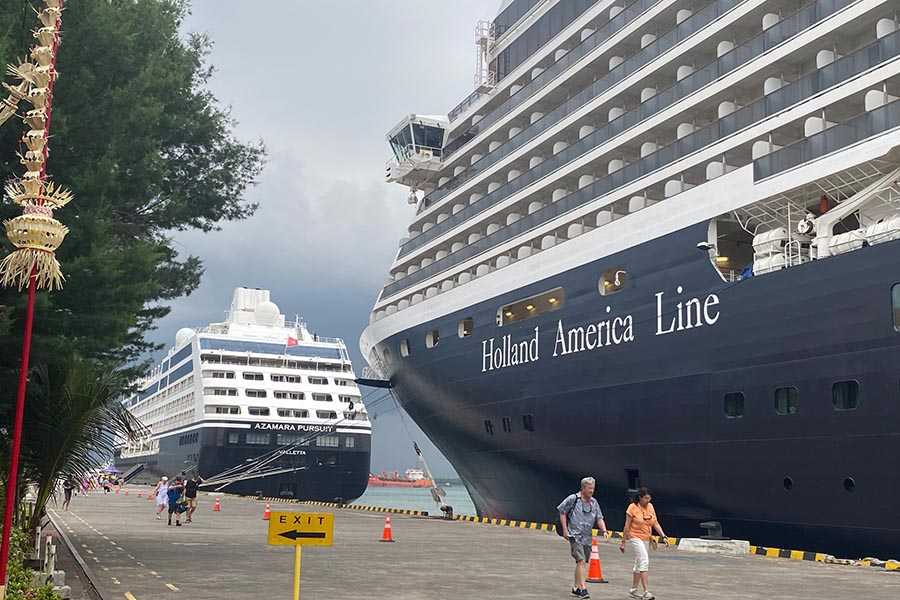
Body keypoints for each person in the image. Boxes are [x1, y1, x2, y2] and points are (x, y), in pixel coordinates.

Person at [558, 477, 608, 599]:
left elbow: (599, 518)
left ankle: (575, 588)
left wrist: (604, 530)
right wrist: (565, 530)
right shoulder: (573, 499)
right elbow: (562, 511)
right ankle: (583, 588)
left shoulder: (594, 502)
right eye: (589, 488)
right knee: (581, 560)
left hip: (587, 537)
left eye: (593, 488)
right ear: (583, 488)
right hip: (575, 535)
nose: (592, 491)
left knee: (581, 562)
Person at [619, 487, 668, 600]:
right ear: (640, 497)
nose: (648, 501)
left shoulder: (650, 507)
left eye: (649, 498)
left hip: (646, 538)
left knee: (638, 563)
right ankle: (646, 591)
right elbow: (627, 526)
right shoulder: (632, 507)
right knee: (644, 560)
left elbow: (655, 523)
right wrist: (623, 542)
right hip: (634, 537)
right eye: (646, 498)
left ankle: (633, 590)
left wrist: (663, 536)